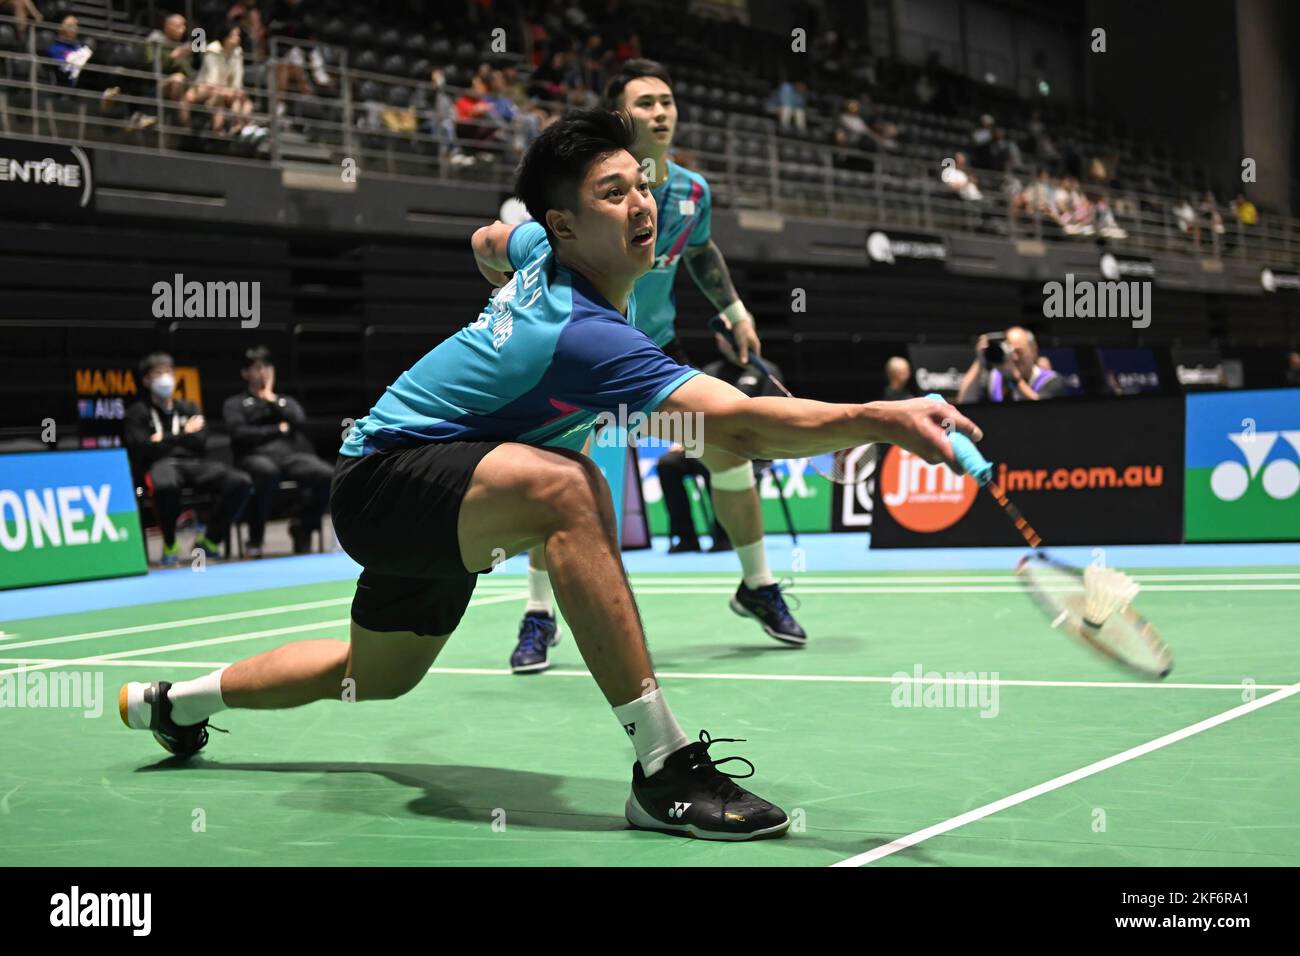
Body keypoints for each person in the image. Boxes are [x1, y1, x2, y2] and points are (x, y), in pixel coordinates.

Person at [117, 109, 981, 841]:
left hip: (426, 489)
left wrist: (502, 272)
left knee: (371, 674)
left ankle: (175, 703)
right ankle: (664, 767)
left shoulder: (543, 248)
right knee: (568, 486)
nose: (642, 204)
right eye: (614, 194)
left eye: (641, 185)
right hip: (385, 479)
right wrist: (885, 418)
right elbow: (741, 424)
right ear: (568, 226)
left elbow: (489, 236)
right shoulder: (586, 335)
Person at [507, 59, 807, 677]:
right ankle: (539, 614)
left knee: (727, 449)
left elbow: (700, 248)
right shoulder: (582, 188)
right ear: (619, 115)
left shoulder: (692, 192)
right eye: (645, 103)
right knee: (559, 476)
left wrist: (735, 309)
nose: (661, 112)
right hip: (583, 357)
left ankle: (758, 585)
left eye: (667, 101)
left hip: (656, 357)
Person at [123, 353, 252, 565]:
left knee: (240, 481)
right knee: (165, 484)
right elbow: (142, 448)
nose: (165, 378)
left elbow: (200, 441)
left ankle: (210, 540)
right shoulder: (137, 413)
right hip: (160, 464)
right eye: (158, 373)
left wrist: (163, 439)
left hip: (193, 463)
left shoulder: (189, 407)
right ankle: (170, 542)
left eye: (168, 372)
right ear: (146, 380)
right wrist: (184, 433)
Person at [656, 351, 785, 558]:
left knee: (712, 461)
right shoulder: (711, 371)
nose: (725, 340)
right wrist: (685, 438)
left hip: (749, 446)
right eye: (721, 336)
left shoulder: (766, 371)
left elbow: (772, 417)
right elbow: (694, 410)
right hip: (709, 441)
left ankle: (725, 535)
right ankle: (686, 537)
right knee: (668, 464)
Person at [222, 346, 334, 557]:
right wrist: (277, 429)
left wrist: (270, 398)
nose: (263, 372)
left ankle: (303, 527)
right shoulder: (235, 404)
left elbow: (299, 420)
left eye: (267, 367)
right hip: (253, 458)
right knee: (266, 472)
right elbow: (239, 433)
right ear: (245, 373)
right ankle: (255, 538)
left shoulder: (282, 401)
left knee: (327, 474)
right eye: (257, 367)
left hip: (288, 458)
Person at [956, 327, 1065, 403]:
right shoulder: (995, 378)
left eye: (1019, 352)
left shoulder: (1051, 380)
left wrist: (1015, 378)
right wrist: (980, 359)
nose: (1014, 357)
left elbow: (1043, 412)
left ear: (1034, 350)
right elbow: (964, 400)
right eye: (1009, 351)